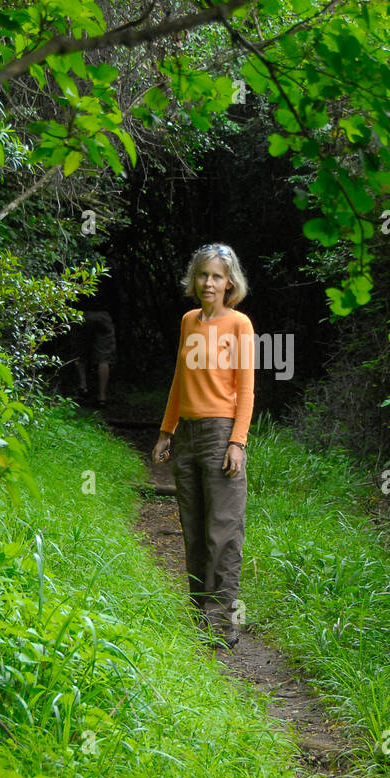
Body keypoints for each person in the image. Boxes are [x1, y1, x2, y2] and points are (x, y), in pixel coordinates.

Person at [152, 244, 255, 649]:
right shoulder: (188, 321)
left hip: (220, 433)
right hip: (189, 435)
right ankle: (200, 618)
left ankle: (223, 625)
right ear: (194, 280)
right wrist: (166, 430)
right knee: (194, 530)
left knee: (223, 532)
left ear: (230, 282)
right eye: (202, 275)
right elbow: (180, 379)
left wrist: (237, 442)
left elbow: (246, 388)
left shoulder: (239, 324)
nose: (208, 282)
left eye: (216, 276)